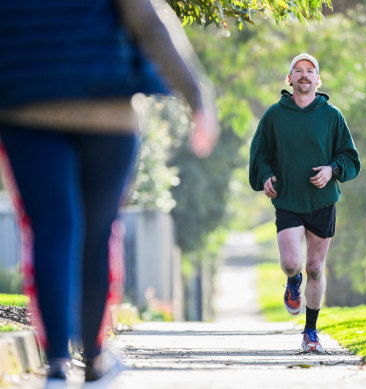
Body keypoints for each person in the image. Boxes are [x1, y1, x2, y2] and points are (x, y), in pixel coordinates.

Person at [0, 0, 218, 382]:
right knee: (97, 234)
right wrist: (196, 96)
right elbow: (147, 20)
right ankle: (95, 357)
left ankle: (56, 363)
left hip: (26, 105)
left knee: (52, 229)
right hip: (107, 109)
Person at [249, 53, 360, 353]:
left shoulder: (332, 115)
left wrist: (332, 170)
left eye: (310, 71)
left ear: (317, 80)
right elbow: (260, 154)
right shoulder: (275, 115)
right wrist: (266, 175)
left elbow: (349, 157)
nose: (304, 75)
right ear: (289, 79)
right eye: (297, 71)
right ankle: (292, 281)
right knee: (291, 263)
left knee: (315, 266)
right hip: (287, 199)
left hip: (322, 201)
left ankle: (310, 332)